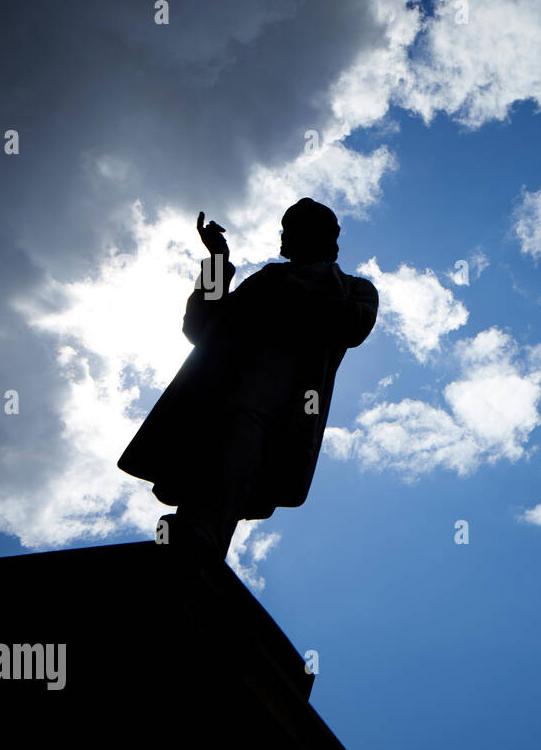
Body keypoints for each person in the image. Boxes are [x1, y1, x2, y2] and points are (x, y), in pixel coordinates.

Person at [118, 198, 379, 561]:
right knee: (208, 452)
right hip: (216, 387)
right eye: (284, 229)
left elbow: (353, 324)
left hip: (280, 401)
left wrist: (291, 291)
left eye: (292, 230)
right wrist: (217, 262)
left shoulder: (352, 288)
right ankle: (193, 539)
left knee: (240, 444)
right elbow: (202, 325)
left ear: (317, 235)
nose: (283, 237)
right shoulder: (267, 279)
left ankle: (201, 539)